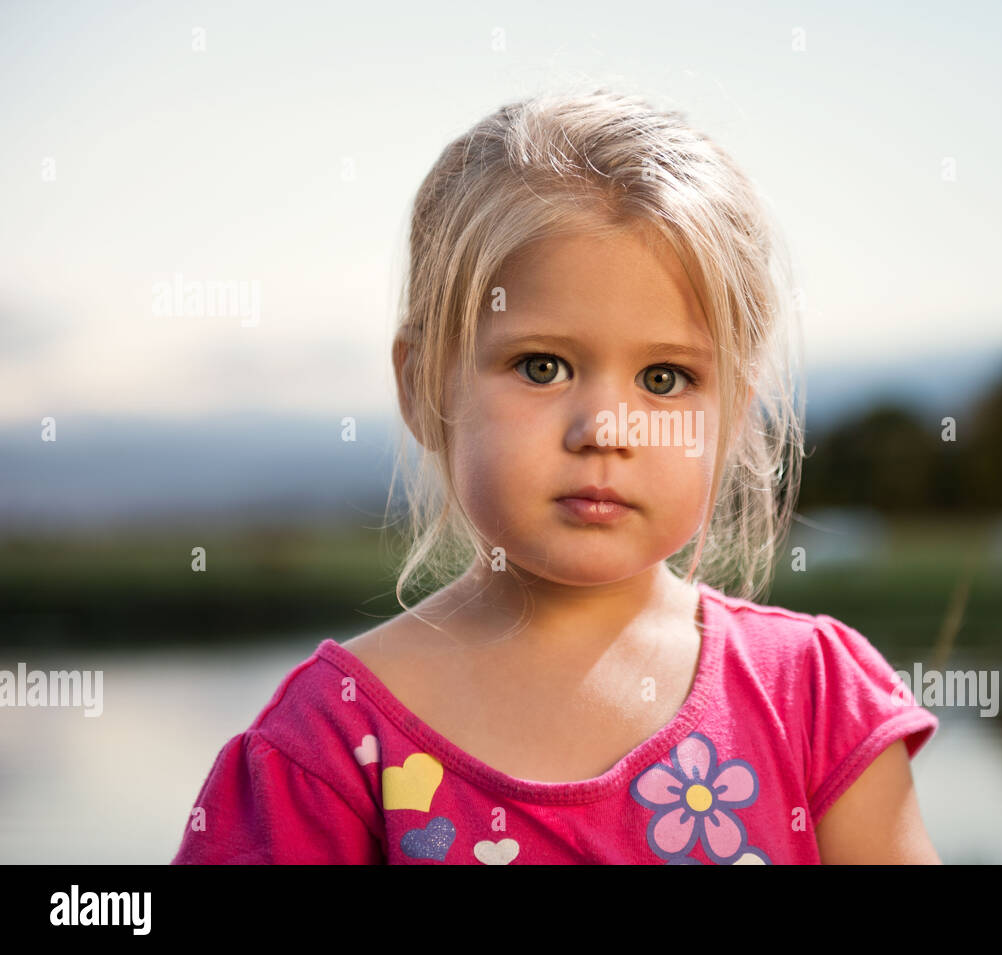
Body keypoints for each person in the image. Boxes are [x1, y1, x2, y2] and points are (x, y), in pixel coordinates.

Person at [171, 87, 940, 865]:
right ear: (424, 384)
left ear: (732, 413)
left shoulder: (813, 702)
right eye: (542, 366)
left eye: (666, 379)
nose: (606, 428)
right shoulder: (330, 747)